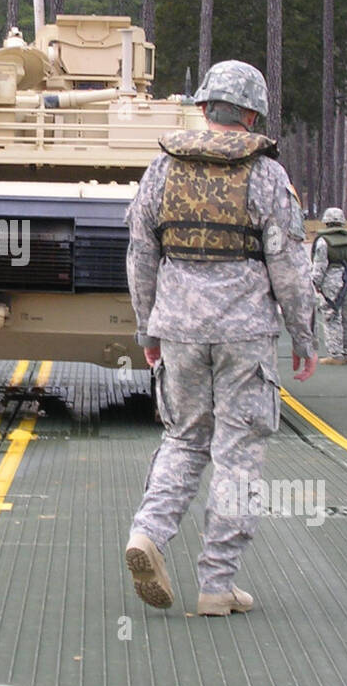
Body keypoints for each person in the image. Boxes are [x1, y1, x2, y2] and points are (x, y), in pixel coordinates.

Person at [123, 60, 317, 616]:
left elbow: (140, 254)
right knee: (238, 453)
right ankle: (216, 583)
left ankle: (149, 535)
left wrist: (147, 327)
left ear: (205, 107)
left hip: (178, 326)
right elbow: (287, 263)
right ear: (253, 114)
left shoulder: (161, 169)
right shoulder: (267, 175)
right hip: (244, 332)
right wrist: (304, 337)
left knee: (184, 440)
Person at [311, 207, 347, 365]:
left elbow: (320, 266)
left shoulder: (323, 241)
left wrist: (315, 284)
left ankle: (335, 355)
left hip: (331, 280)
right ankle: (346, 351)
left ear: (326, 221)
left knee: (331, 317)